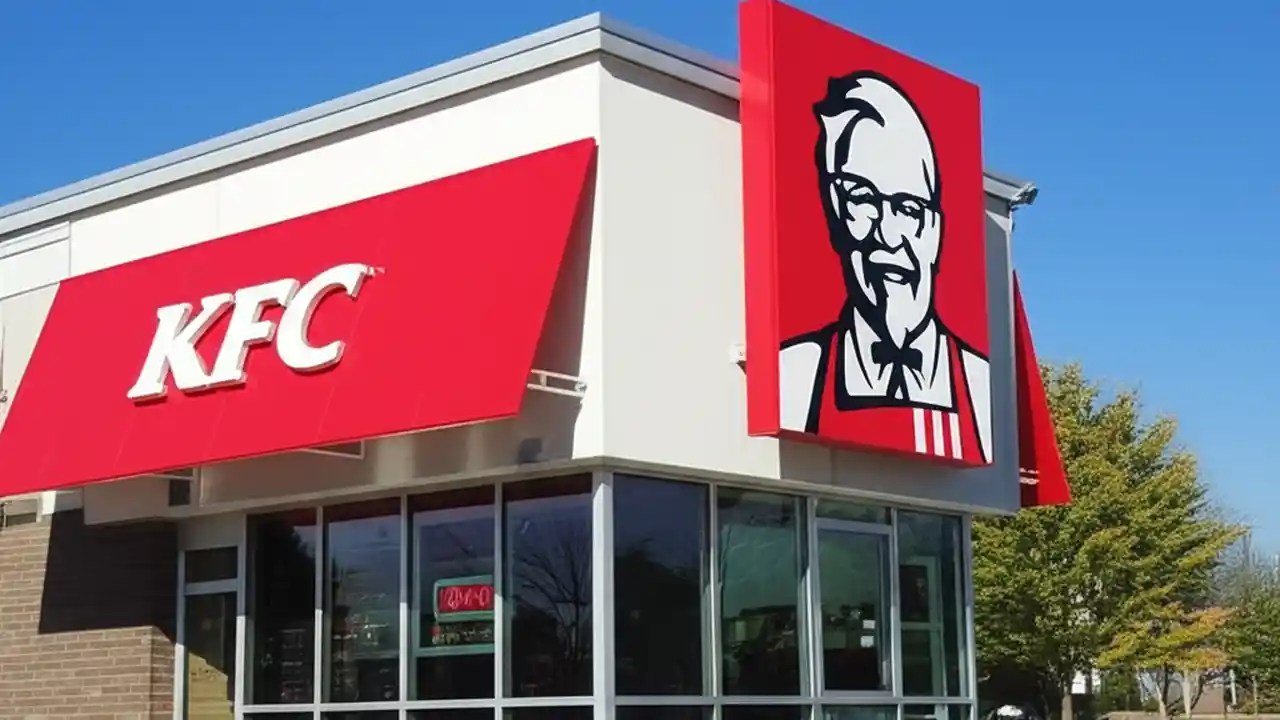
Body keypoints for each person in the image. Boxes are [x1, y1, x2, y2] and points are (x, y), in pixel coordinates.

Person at [778, 71, 992, 463]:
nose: (888, 234)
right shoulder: (797, 374)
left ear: (934, 229)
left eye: (909, 208)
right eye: (863, 199)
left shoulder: (980, 391)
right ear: (836, 214)